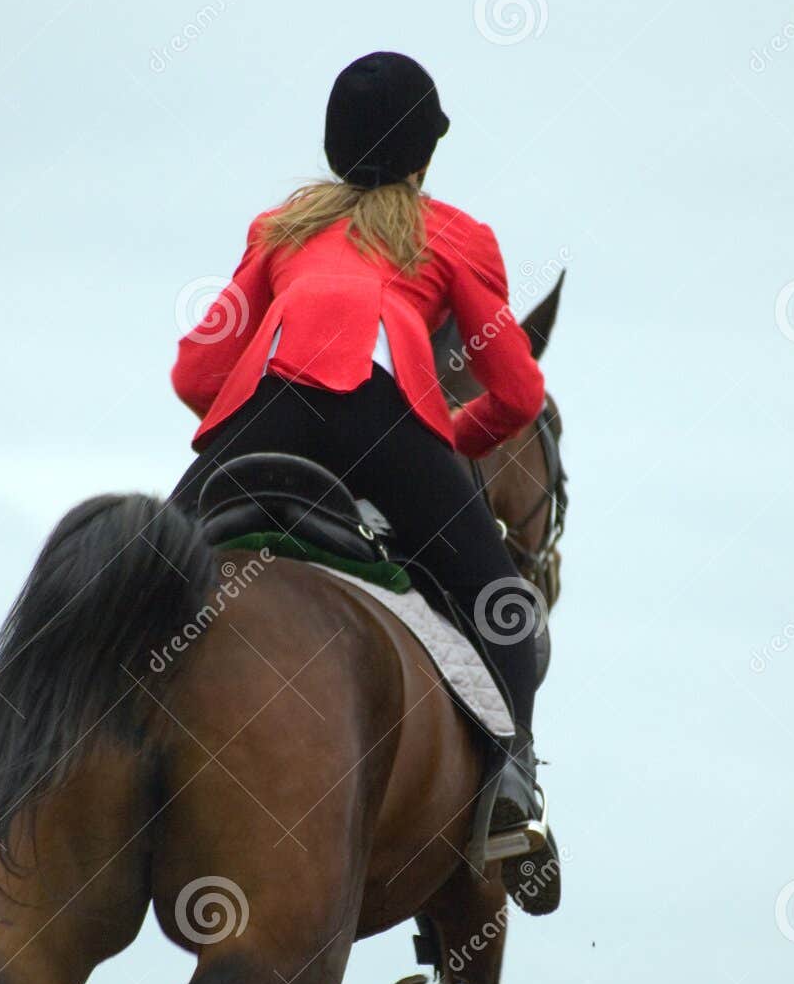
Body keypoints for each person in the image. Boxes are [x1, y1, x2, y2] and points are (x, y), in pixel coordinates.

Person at [169, 51, 549, 858]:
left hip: (263, 415)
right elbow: (517, 397)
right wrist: (444, 452)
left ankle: (58, 739)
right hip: (383, 419)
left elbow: (195, 372)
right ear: (425, 154)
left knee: (137, 578)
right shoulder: (455, 235)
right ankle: (513, 796)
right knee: (505, 612)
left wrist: (249, 436)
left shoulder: (281, 229)